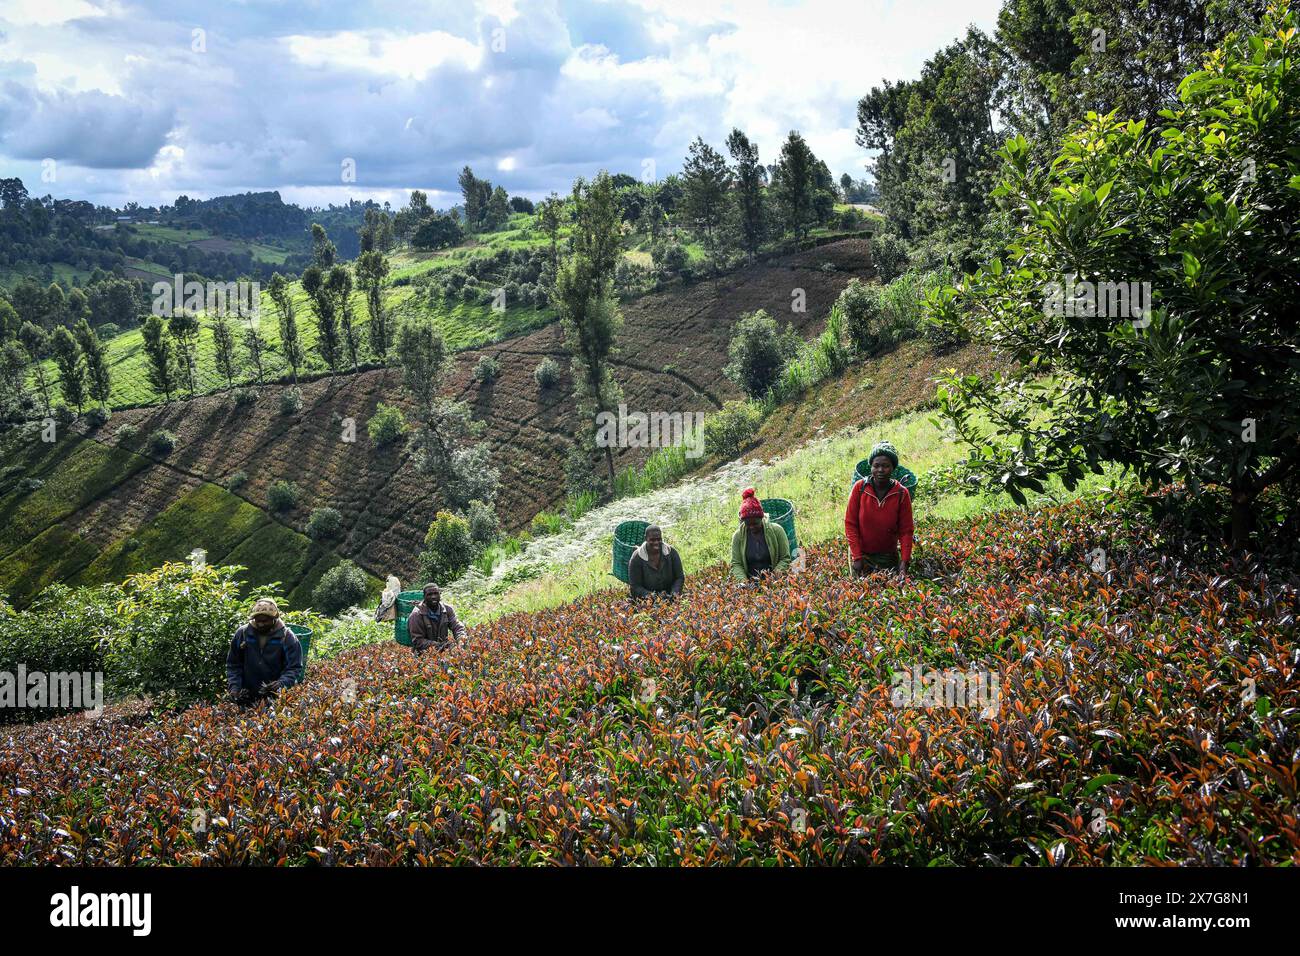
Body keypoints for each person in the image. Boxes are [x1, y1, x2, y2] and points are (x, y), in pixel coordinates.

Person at [845, 441, 914, 580]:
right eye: (876, 466)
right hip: (862, 555)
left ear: (893, 468)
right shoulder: (860, 488)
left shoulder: (901, 493)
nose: (880, 470)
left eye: (886, 466)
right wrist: (857, 557)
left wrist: (904, 561)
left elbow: (906, 530)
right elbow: (850, 524)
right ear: (871, 467)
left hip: (888, 556)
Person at [226, 598, 303, 706]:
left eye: (265, 621)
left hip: (274, 698)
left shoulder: (287, 637)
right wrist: (234, 688)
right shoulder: (243, 633)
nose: (261, 624)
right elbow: (233, 664)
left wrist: (281, 683)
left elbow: (294, 667)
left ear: (274, 618)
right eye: (258, 620)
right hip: (245, 695)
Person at [729, 488, 792, 582]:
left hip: (775, 580)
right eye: (748, 524)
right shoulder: (738, 537)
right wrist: (744, 582)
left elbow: (785, 558)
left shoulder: (777, 531)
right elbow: (736, 564)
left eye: (755, 523)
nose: (752, 527)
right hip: (750, 583)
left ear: (762, 518)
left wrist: (773, 577)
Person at [406, 582, 467, 654]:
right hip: (423, 654)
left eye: (436, 593)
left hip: (443, 651)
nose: (433, 597)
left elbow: (457, 626)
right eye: (429, 594)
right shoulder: (416, 615)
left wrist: (461, 639)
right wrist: (440, 645)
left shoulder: (447, 609)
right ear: (424, 597)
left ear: (439, 594)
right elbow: (418, 641)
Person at [628, 525, 684, 599]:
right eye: (652, 540)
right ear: (645, 538)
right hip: (647, 600)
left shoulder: (671, 553)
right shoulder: (637, 558)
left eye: (659, 539)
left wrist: (674, 593)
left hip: (669, 595)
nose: (656, 543)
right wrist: (651, 596)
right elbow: (635, 586)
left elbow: (679, 577)